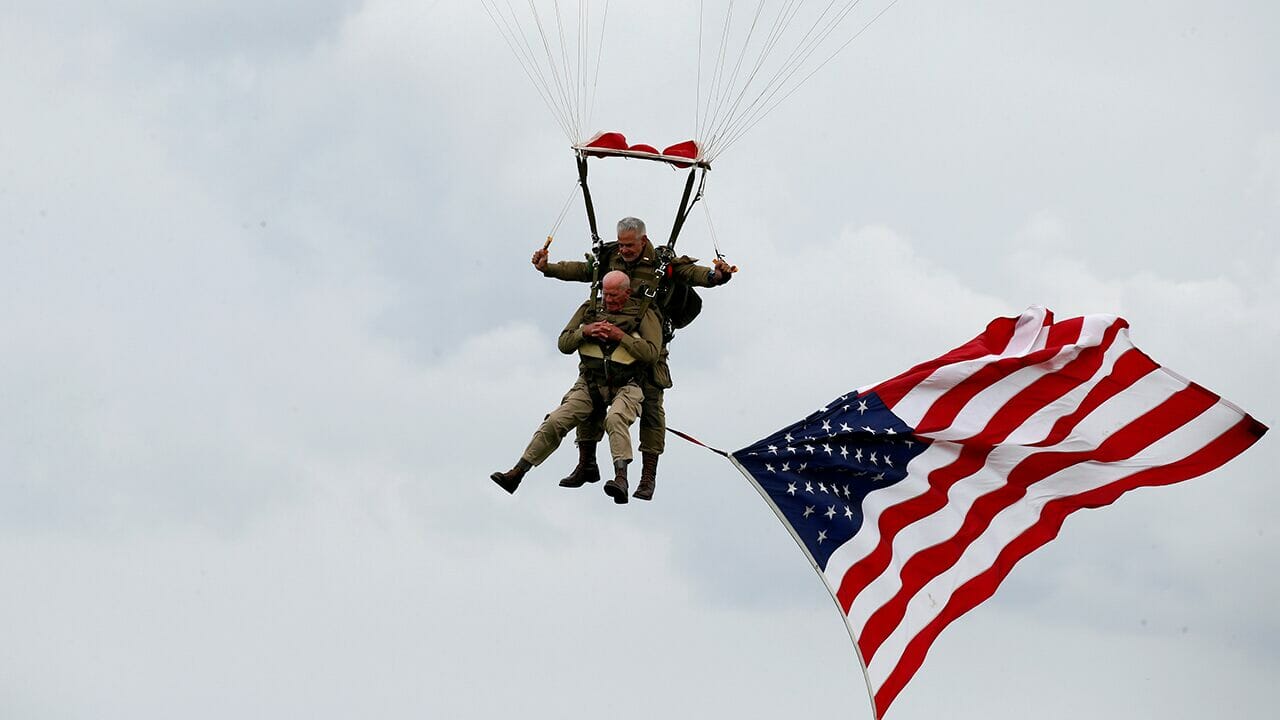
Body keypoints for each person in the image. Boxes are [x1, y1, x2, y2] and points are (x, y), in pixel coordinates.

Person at [530, 216, 732, 500]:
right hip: (608, 348)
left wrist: (717, 276)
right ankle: (586, 464)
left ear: (643, 240)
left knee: (651, 411)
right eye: (621, 244)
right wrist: (548, 268)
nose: (624, 250)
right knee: (591, 393)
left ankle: (647, 477)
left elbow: (694, 274)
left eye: (629, 245)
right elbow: (584, 270)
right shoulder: (610, 257)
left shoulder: (662, 263)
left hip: (647, 347)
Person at [490, 271, 662, 504]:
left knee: (615, 418)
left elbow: (651, 354)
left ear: (627, 293)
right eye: (605, 294)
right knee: (555, 420)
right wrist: (585, 331)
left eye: (614, 295)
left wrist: (620, 336)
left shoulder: (644, 313)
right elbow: (564, 343)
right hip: (591, 382)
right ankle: (517, 473)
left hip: (628, 383)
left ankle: (621, 478)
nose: (608, 300)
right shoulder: (590, 309)